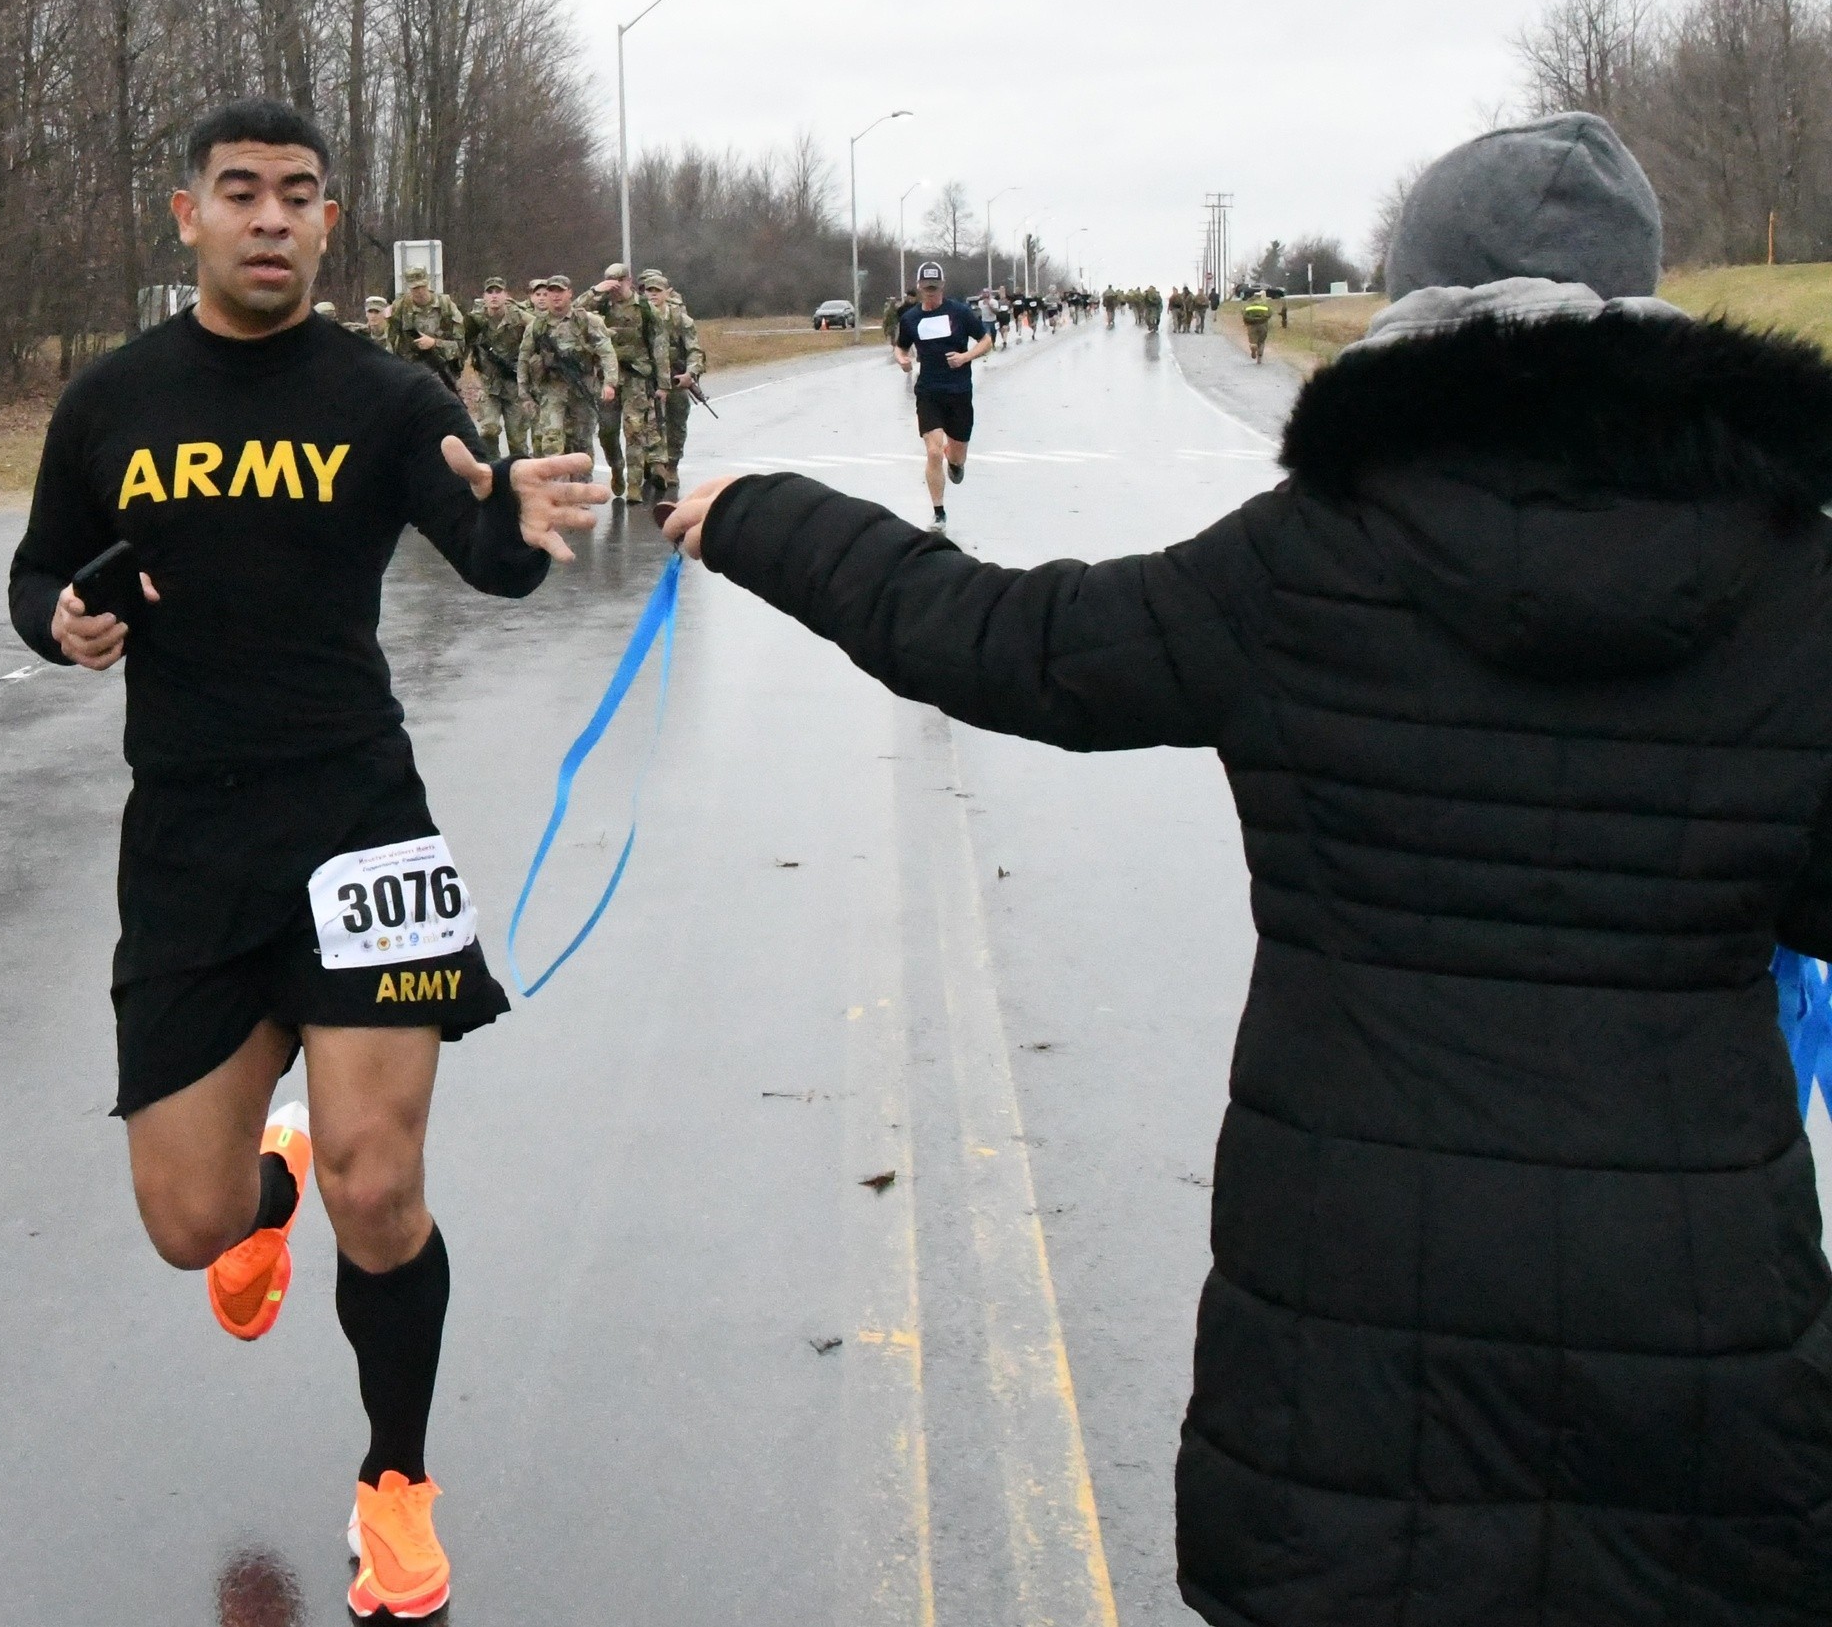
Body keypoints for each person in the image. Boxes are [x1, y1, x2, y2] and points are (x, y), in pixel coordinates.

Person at [664, 110, 1832, 1626]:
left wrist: (763, 512)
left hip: (1356, 1305)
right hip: (1697, 1311)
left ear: (1414, 313)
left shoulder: (1314, 554)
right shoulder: (1797, 581)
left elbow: (1006, 640)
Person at [6, 97, 609, 1622]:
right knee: (186, 1228)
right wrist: (60, 622)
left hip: (358, 825)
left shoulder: (385, 396)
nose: (270, 217)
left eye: (299, 195)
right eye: (241, 192)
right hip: (193, 849)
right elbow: (38, 572)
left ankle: (394, 1486)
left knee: (381, 1184)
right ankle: (262, 1191)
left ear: (330, 223)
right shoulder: (112, 402)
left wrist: (527, 522)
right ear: (186, 214)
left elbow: (485, 548)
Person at [893, 259, 990, 532]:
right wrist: (902, 360)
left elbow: (986, 340)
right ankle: (939, 513)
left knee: (956, 459)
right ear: (919, 288)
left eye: (935, 288)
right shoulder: (911, 318)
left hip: (959, 392)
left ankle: (956, 462)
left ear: (943, 286)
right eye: (926, 289)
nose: (931, 293)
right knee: (933, 452)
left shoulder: (959, 313)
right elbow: (900, 348)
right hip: (929, 392)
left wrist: (966, 356)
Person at [579, 261, 666, 504]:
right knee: (607, 432)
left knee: (635, 431)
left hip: (636, 377)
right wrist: (596, 291)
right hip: (607, 378)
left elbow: (659, 346)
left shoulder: (645, 308)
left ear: (628, 281)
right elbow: (572, 313)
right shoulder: (600, 304)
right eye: (610, 281)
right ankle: (616, 468)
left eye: (618, 282)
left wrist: (663, 384)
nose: (614, 287)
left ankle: (634, 485)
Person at [516, 273, 617, 464]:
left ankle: (582, 488)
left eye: (560, 291)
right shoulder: (537, 326)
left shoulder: (587, 321)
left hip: (583, 386)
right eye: (551, 291)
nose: (555, 296)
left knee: (581, 442)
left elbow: (606, 352)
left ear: (570, 293)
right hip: (552, 389)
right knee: (551, 440)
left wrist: (610, 383)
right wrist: (524, 394)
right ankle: (557, 487)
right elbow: (523, 359)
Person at [641, 269, 704, 499]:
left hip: (677, 379)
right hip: (647, 379)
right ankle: (653, 462)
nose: (652, 295)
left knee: (677, 421)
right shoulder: (640, 317)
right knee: (649, 422)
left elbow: (695, 350)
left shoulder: (680, 319)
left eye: (657, 291)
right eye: (649, 290)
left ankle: (672, 464)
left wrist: (691, 373)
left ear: (667, 293)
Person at [463, 276, 534, 459]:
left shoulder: (518, 317)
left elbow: (540, 331)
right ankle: (493, 468)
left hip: (514, 386)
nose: (494, 296)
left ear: (506, 295)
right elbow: (459, 340)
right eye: (490, 292)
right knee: (489, 429)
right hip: (489, 386)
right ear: (484, 297)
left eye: (498, 292)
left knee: (517, 441)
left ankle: (518, 478)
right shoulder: (476, 320)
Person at [387, 265, 465, 393]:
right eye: (415, 288)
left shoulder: (446, 306)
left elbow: (460, 347)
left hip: (442, 368)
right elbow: (389, 342)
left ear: (428, 283)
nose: (419, 291)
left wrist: (434, 343)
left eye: (422, 286)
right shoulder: (400, 308)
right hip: (411, 371)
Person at [1240, 287, 1272, 362]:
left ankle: (1253, 347)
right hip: (1263, 324)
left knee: (1252, 341)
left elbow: (1243, 313)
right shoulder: (1264, 305)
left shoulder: (1249, 305)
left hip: (1252, 325)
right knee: (1261, 341)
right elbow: (1270, 313)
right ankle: (1260, 354)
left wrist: (1246, 321)